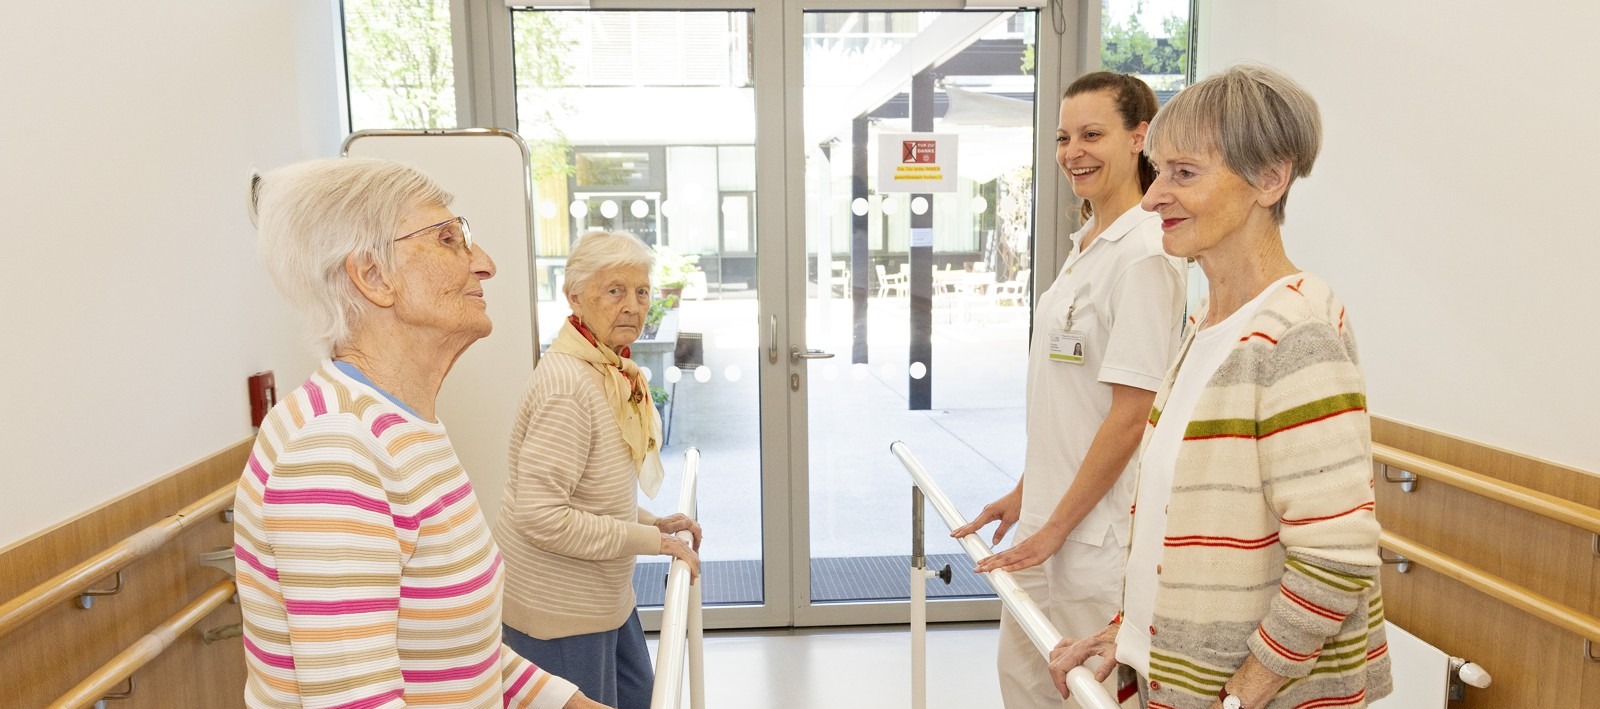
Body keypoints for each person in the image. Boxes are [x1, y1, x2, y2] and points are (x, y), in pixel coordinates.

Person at [1048, 64, 1392, 709]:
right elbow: (1182, 539)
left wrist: (1246, 692)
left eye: (1184, 174)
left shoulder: (1297, 332)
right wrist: (1129, 638)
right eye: (1157, 170)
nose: (1152, 198)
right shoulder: (1208, 325)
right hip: (1184, 680)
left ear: (1270, 178)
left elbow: (1337, 557)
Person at [234, 158, 605, 709]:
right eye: (448, 239)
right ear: (374, 276)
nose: (484, 264)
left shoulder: (402, 426)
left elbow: (459, 649)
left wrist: (573, 705)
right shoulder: (334, 451)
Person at [951, 72, 1187, 708]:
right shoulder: (1088, 245)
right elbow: (1072, 403)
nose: (1072, 151)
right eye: (1063, 137)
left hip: (1095, 540)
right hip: (1046, 523)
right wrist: (1026, 494)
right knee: (1025, 688)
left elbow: (1131, 415)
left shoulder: (1144, 255)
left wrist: (1054, 527)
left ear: (1140, 137)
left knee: (1091, 696)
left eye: (1092, 134)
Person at [495, 230, 702, 709]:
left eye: (641, 291)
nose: (632, 305)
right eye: (615, 291)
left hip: (606, 600)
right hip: (558, 614)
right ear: (575, 297)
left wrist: (653, 522)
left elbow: (592, 495)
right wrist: (653, 542)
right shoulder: (569, 383)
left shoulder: (604, 368)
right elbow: (542, 516)